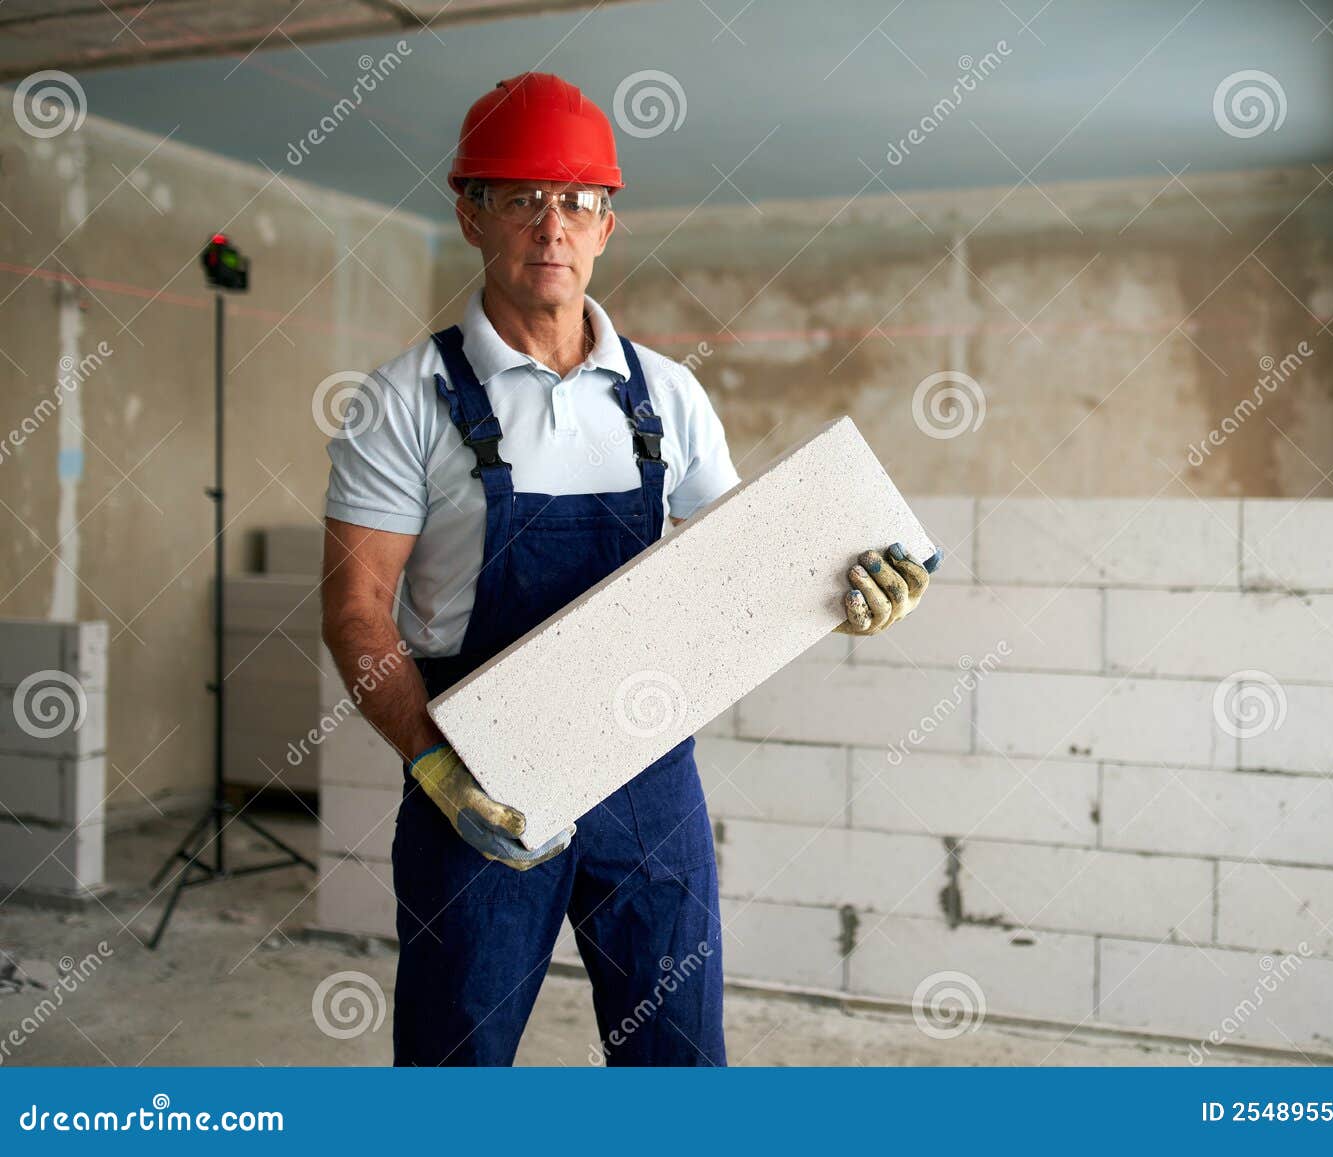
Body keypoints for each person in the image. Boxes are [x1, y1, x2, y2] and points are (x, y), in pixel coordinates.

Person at [319, 72, 940, 1067]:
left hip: (648, 771)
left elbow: (744, 565)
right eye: (521, 197)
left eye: (575, 201)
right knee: (453, 1060)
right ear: (470, 212)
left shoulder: (669, 395)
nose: (550, 226)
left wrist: (848, 592)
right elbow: (354, 608)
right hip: (475, 772)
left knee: (680, 1060)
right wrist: (435, 764)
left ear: (608, 224)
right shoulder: (405, 399)